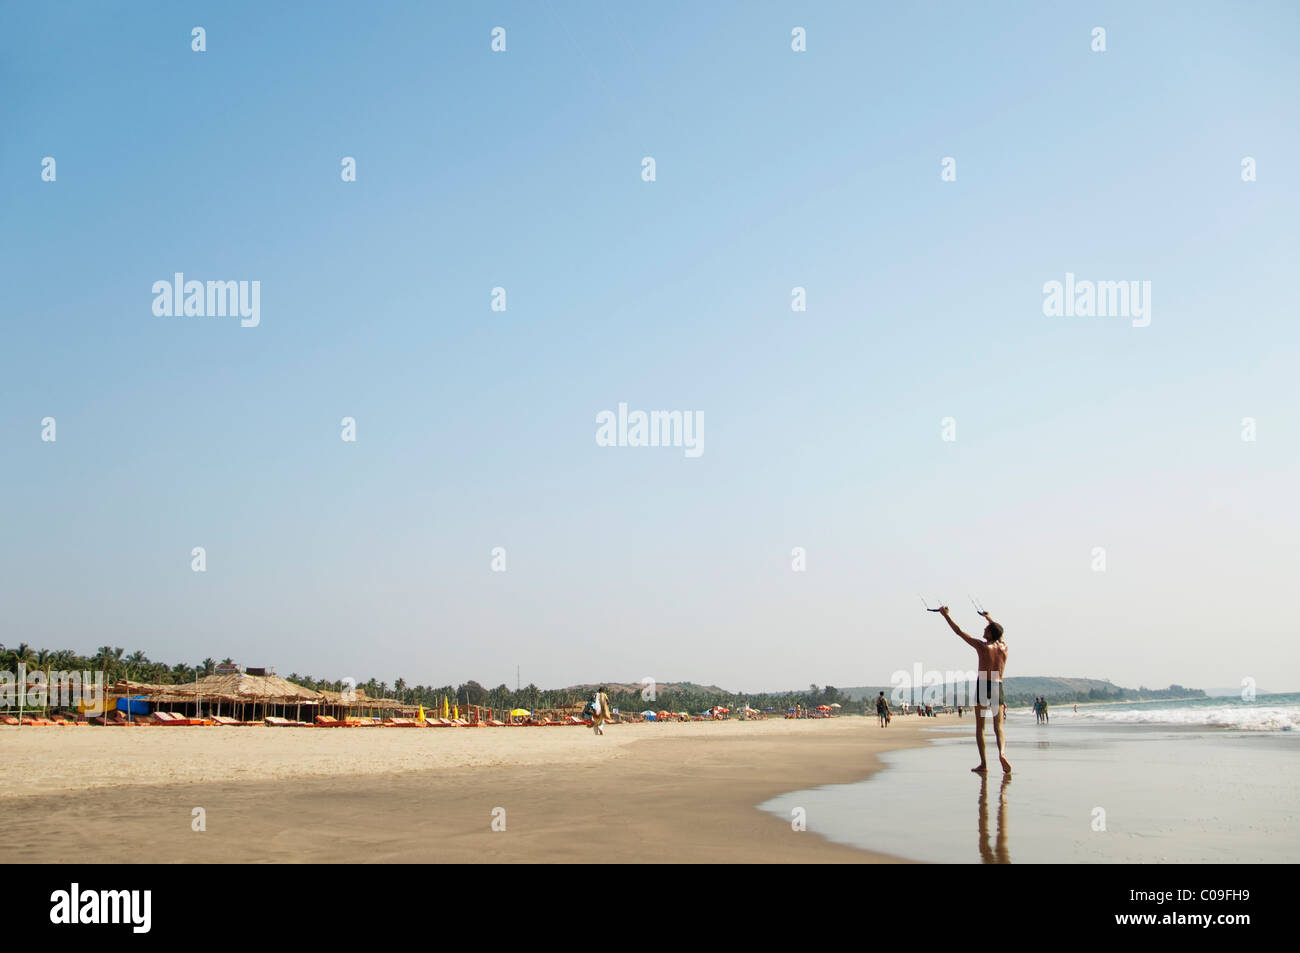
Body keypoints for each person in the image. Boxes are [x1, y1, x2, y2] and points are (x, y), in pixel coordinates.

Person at [937, 605, 1011, 775]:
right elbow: (1001, 634)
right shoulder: (1004, 647)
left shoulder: (982, 647)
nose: (983, 630)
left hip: (983, 685)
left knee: (980, 728)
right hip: (997, 685)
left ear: (990, 634)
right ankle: (1002, 753)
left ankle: (984, 763)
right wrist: (988, 617)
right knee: (998, 727)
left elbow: (959, 632)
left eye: (986, 629)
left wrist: (946, 615)